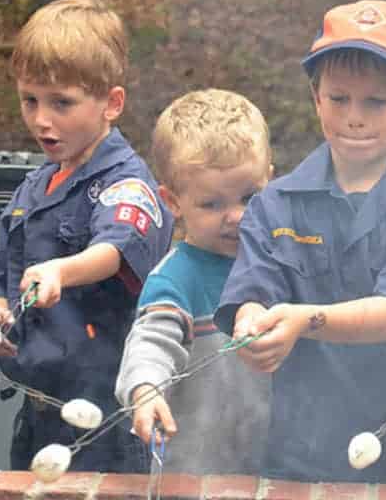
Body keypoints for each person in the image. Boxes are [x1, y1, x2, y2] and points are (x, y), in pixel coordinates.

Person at [214, 0, 386, 483]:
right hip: (304, 449)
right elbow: (252, 291)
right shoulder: (274, 205)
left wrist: (306, 320)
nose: (353, 117)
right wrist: (251, 324)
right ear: (316, 96)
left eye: (376, 102)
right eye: (338, 98)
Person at [0, 0, 173, 473]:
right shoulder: (34, 184)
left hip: (105, 418)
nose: (42, 119)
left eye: (61, 103)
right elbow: (3, 268)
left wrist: (61, 270)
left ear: (112, 103)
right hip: (39, 409)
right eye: (30, 100)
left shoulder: (126, 183)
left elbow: (115, 248)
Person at [115, 88, 273, 475]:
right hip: (194, 475)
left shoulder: (285, 260)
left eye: (249, 197)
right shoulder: (175, 279)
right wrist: (145, 389)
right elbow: (152, 341)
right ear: (172, 202)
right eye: (212, 204)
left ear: (272, 180)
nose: (235, 216)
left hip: (279, 472)